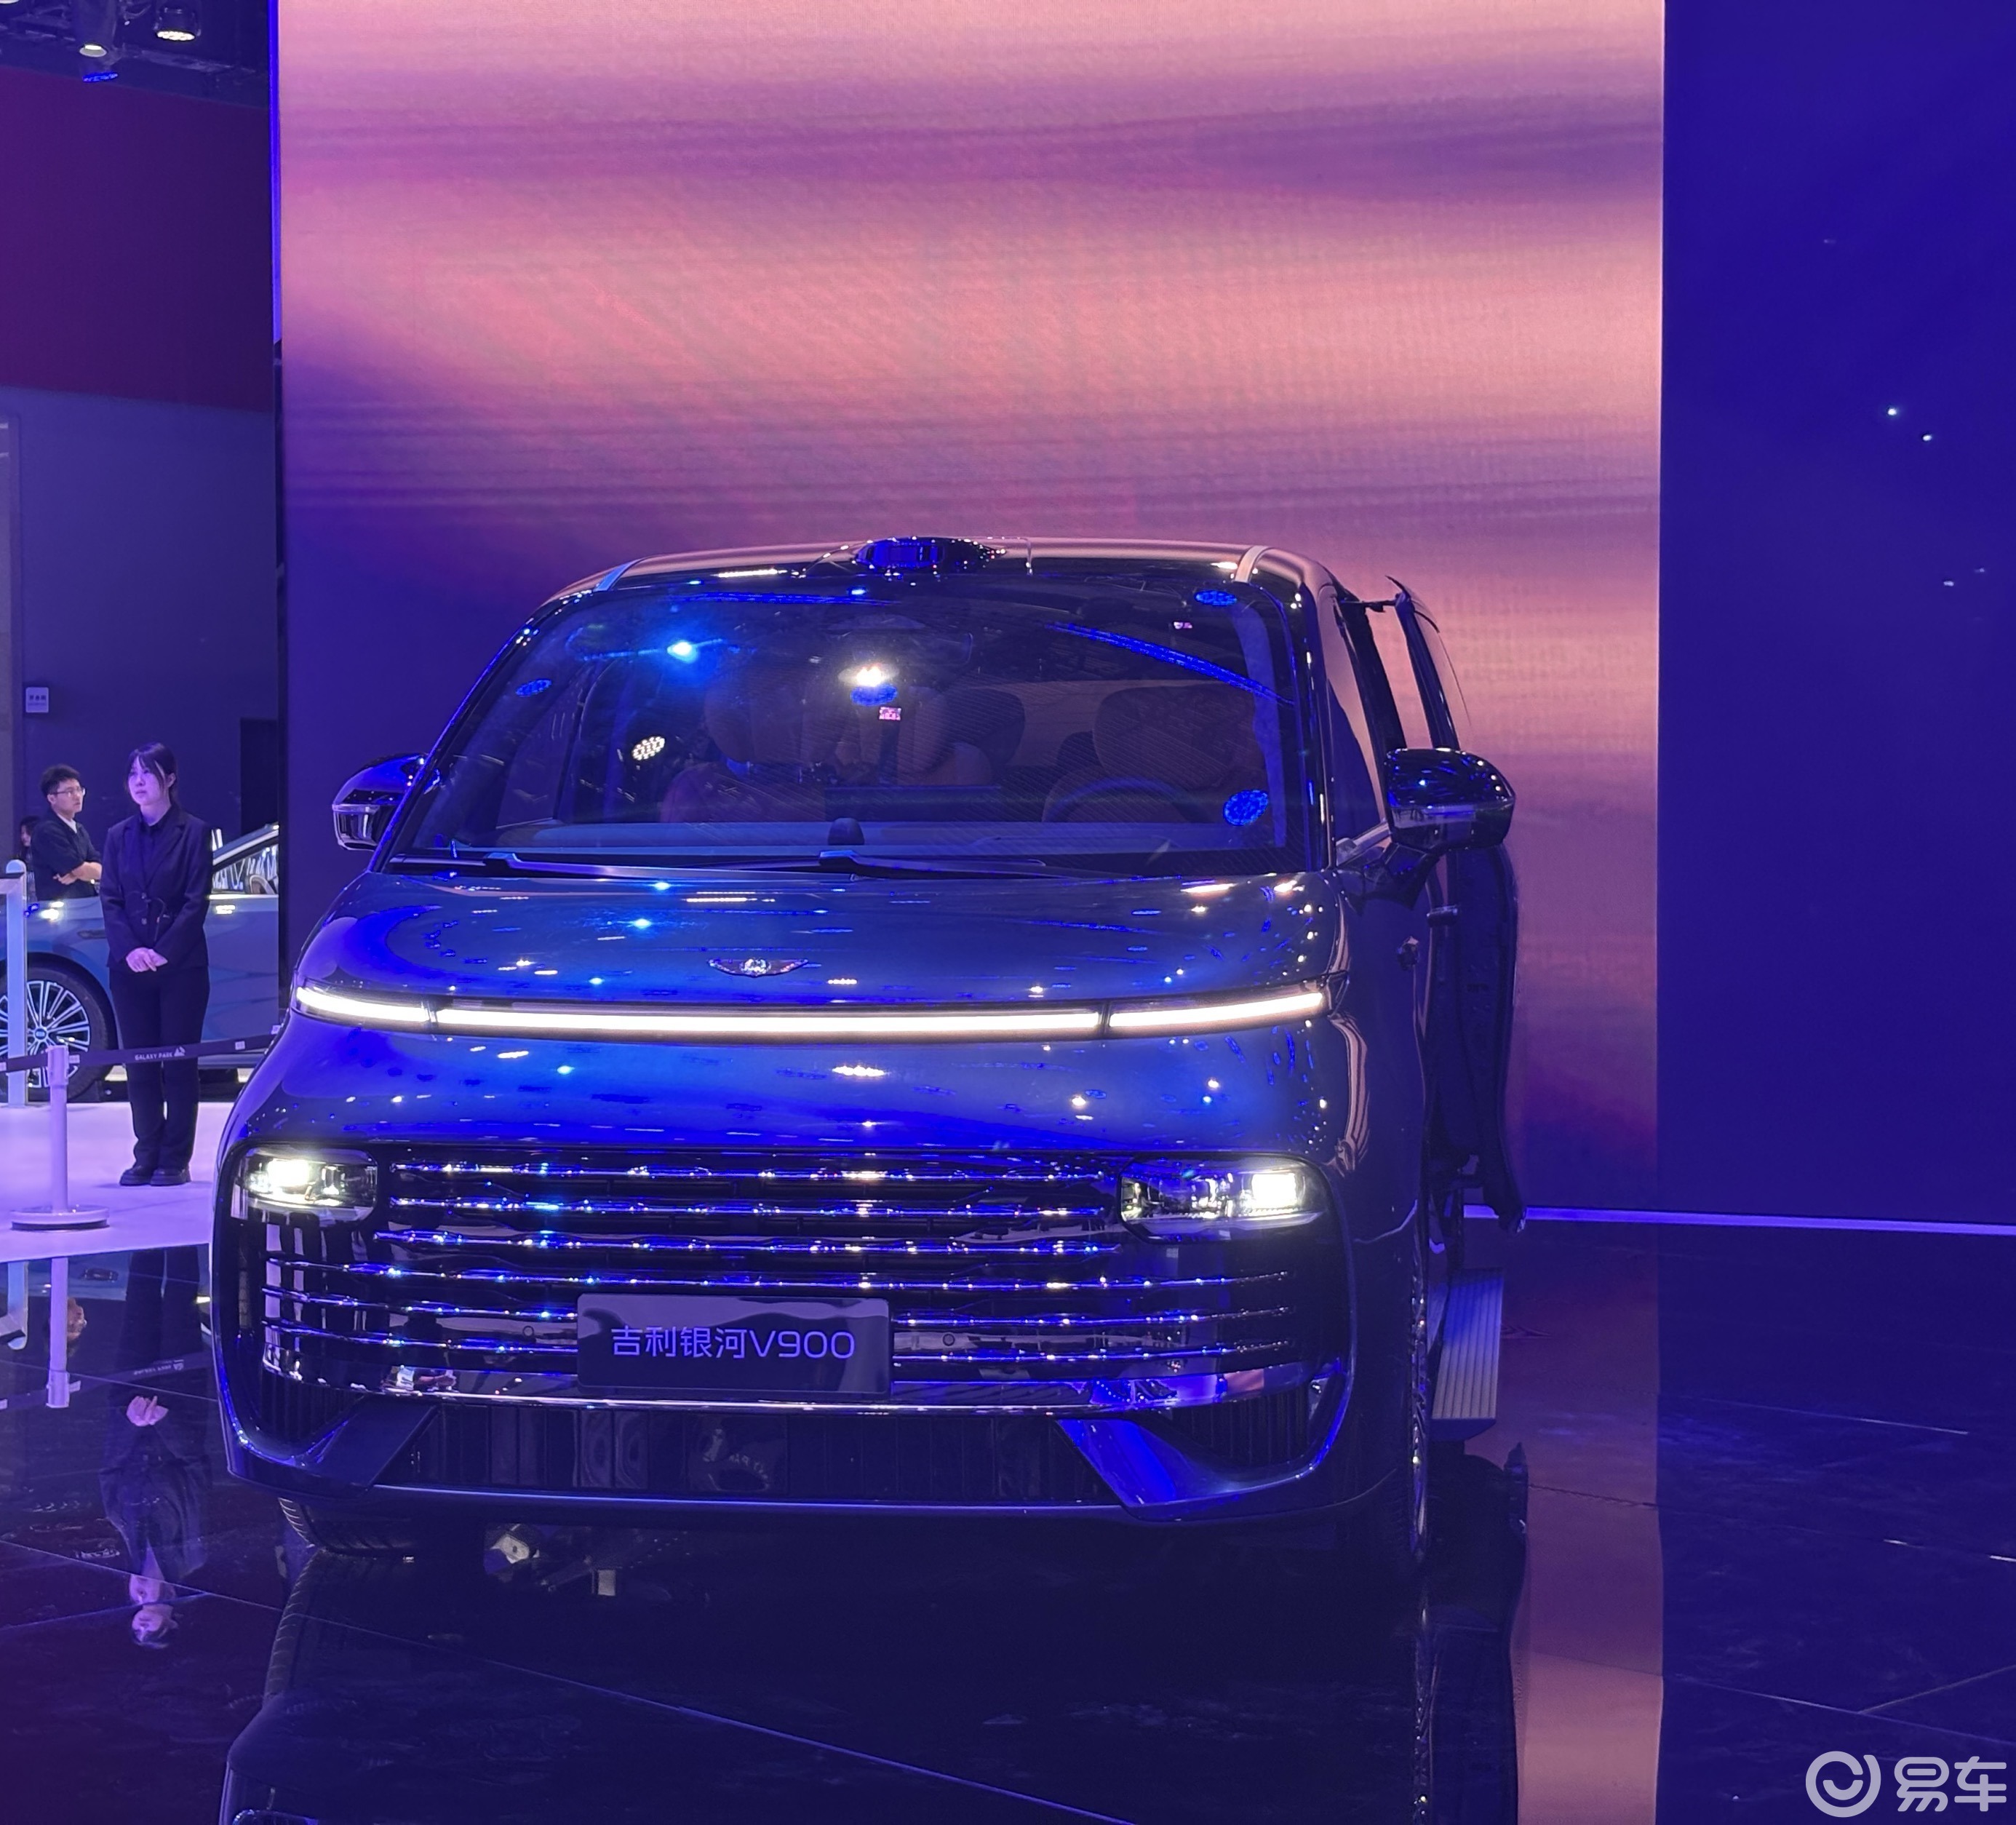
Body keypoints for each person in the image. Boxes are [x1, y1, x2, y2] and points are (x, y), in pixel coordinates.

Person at [100, 744, 211, 1188]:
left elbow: (196, 900)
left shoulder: (194, 832)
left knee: (178, 1064)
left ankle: (175, 1157)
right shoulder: (117, 836)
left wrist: (164, 950)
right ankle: (145, 1152)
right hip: (129, 967)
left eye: (148, 773)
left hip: (180, 966)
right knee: (139, 1064)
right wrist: (131, 950)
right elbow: (110, 899)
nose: (139, 782)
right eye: (133, 774)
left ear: (170, 779)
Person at [27, 765, 101, 899]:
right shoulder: (47, 831)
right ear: (52, 798)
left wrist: (76, 873)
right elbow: (80, 869)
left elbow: (100, 868)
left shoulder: (79, 829)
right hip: (59, 907)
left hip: (86, 903)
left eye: (79, 790)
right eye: (69, 792)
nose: (77, 796)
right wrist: (79, 871)